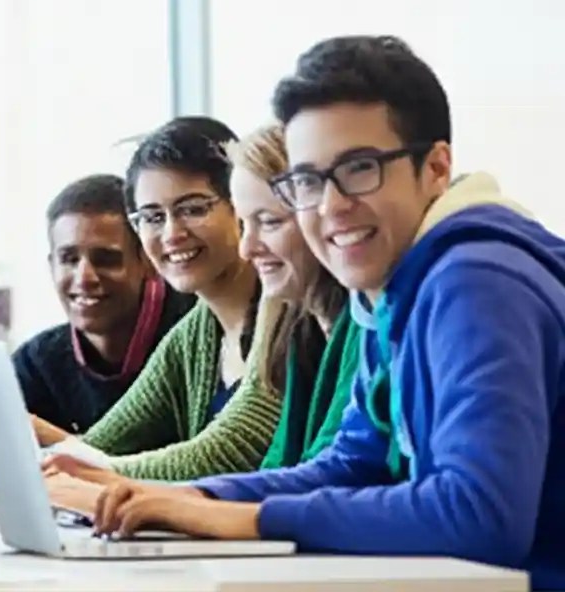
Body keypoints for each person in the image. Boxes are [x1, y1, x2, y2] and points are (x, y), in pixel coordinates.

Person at [91, 36, 565, 590]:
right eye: (308, 181)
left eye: (360, 168)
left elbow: (478, 517)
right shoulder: (390, 287)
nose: (331, 206)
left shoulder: (476, 282)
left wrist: (249, 519)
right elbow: (351, 463)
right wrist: (189, 497)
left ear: (436, 167)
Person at [39, 117, 283, 482]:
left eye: (193, 209)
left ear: (240, 207)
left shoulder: (285, 309)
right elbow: (105, 443)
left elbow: (227, 453)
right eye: (152, 217)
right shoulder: (194, 335)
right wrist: (44, 450)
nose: (171, 234)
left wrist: (83, 467)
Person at [13, 174, 196, 436]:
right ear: (51, 265)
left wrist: (65, 446)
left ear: (147, 261)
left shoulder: (197, 335)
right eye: (69, 259)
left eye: (106, 259)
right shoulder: (37, 364)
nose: (85, 277)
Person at [227, 123, 359, 469]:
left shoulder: (366, 326)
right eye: (243, 225)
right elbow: (276, 468)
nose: (246, 249)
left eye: (268, 222)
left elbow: (325, 472)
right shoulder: (299, 328)